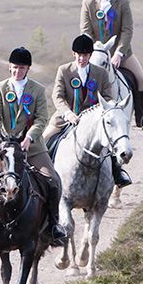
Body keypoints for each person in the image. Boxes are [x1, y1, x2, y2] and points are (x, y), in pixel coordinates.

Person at [0, 47, 68, 246]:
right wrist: (0, 137)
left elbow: (41, 118)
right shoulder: (0, 88)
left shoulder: (37, 89)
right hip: (3, 147)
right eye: (14, 68)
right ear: (9, 68)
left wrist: (30, 137)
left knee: (53, 179)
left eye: (21, 68)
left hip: (32, 147)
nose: (17, 71)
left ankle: (54, 225)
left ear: (27, 69)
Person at [42, 34, 131, 187]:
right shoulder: (64, 71)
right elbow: (57, 96)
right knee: (43, 141)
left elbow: (108, 96)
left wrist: (101, 110)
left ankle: (117, 173)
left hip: (94, 121)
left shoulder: (100, 73)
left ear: (90, 55)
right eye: (79, 55)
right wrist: (67, 112)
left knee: (111, 142)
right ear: (73, 54)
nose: (82, 59)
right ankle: (44, 176)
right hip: (65, 119)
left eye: (85, 55)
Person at [80, 0, 143, 131]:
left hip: (120, 53)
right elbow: (85, 31)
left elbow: (127, 30)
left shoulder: (123, 4)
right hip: (96, 54)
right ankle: (79, 115)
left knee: (142, 79)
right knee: (79, 78)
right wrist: (95, 51)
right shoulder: (87, 4)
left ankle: (141, 117)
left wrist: (118, 53)